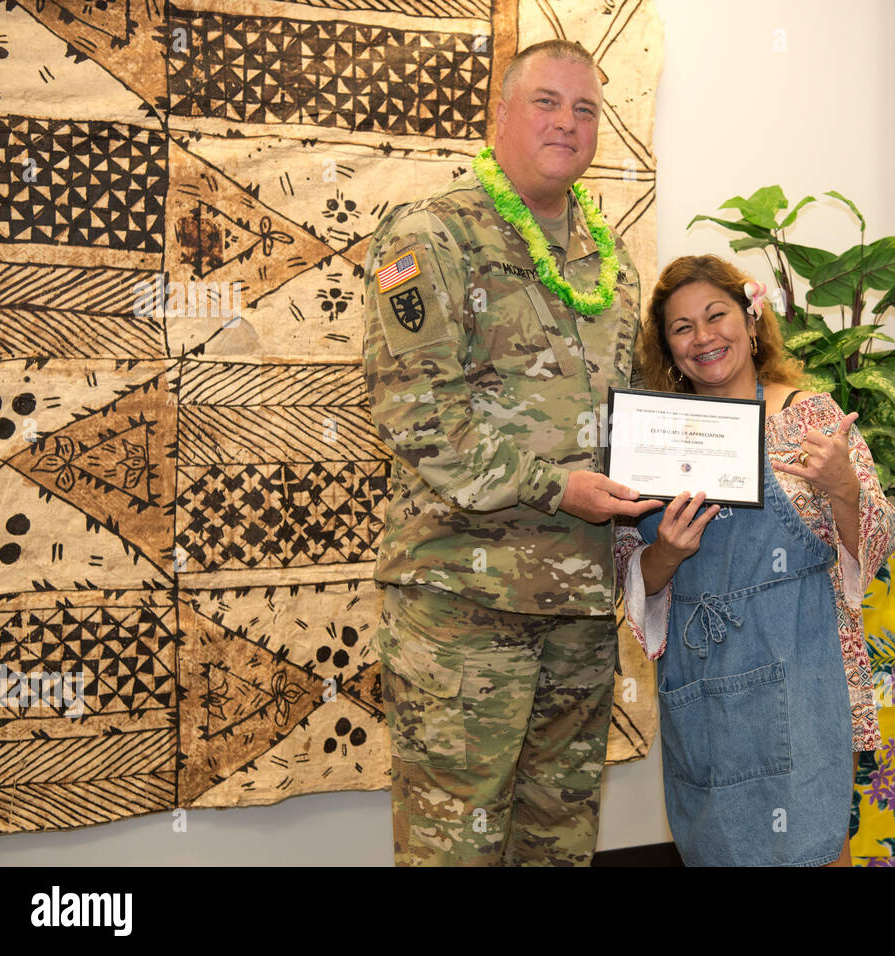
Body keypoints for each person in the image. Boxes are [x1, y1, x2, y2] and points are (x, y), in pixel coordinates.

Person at [361, 39, 659, 866]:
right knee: (455, 841)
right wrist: (557, 490)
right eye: (547, 102)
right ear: (499, 116)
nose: (568, 122)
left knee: (560, 839)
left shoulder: (608, 260)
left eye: (586, 109)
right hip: (464, 605)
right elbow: (418, 415)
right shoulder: (428, 237)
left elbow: (626, 412)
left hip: (580, 611)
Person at [614, 254, 895, 866]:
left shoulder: (812, 416)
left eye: (716, 315)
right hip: (705, 678)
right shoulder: (656, 436)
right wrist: (665, 552)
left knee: (818, 847)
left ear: (751, 318)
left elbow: (872, 549)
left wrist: (844, 486)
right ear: (667, 347)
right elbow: (632, 578)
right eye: (682, 327)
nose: (703, 337)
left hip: (805, 666)